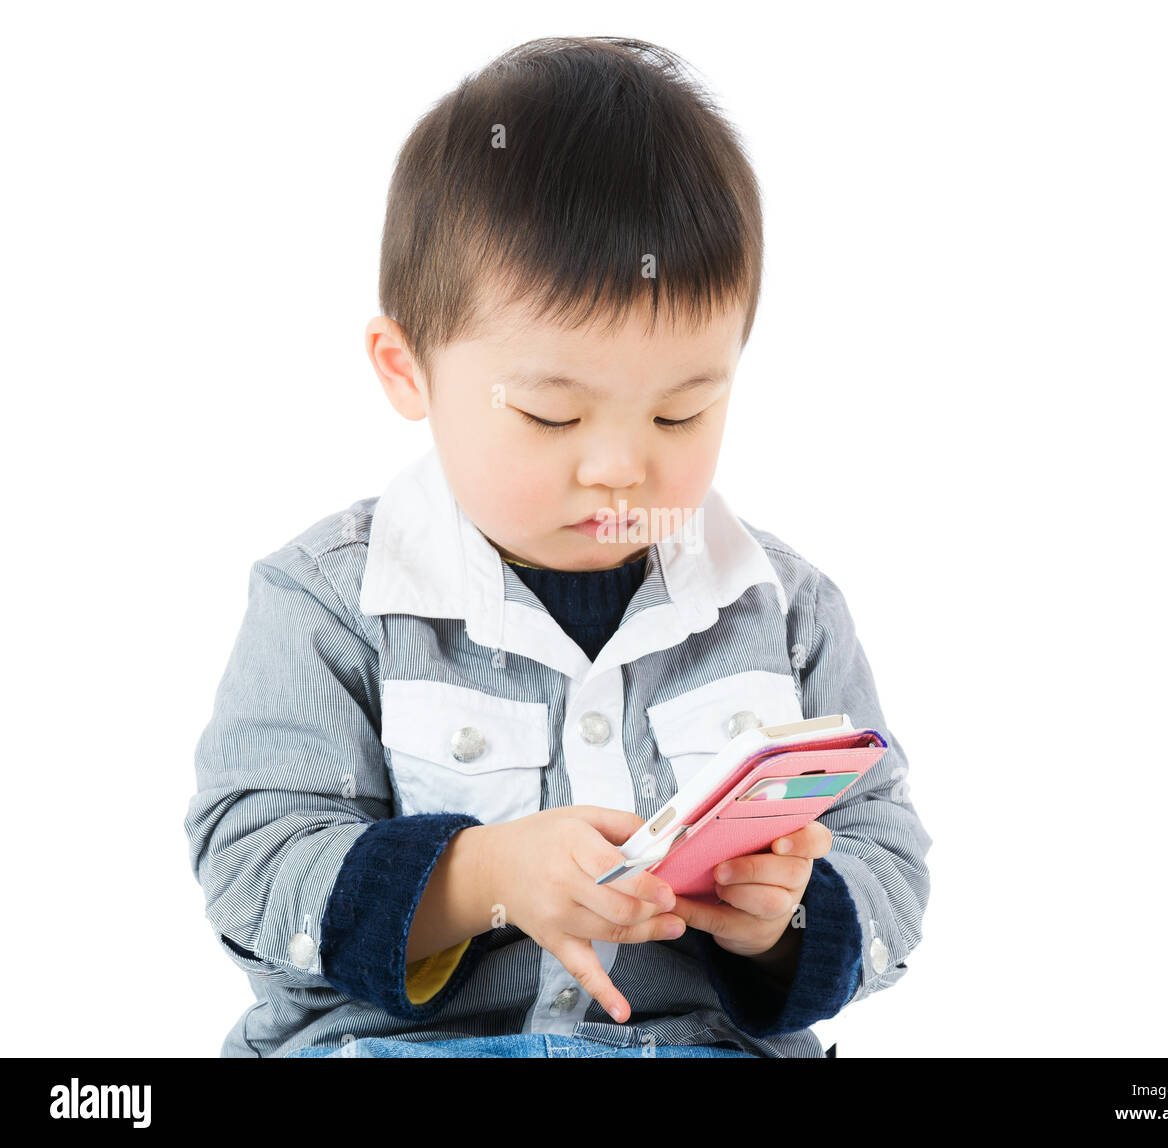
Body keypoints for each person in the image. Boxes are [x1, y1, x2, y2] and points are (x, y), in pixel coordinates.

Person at [185, 35, 932, 1059]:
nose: (621, 467)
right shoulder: (329, 601)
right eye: (548, 414)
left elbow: (884, 851)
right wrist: (480, 877)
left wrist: (785, 919)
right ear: (406, 370)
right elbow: (251, 859)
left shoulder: (785, 611)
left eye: (682, 413)